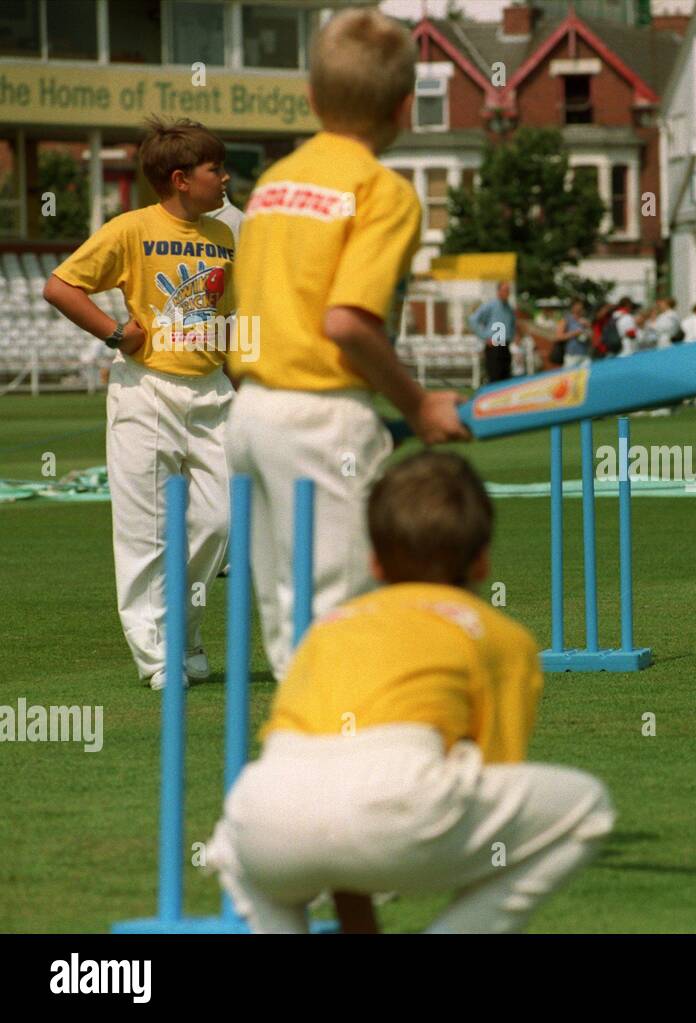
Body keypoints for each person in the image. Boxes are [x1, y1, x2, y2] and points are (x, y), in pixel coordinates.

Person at [206, 451, 615, 934]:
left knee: (234, 846)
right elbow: (493, 780)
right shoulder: (500, 637)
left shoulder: (328, 628)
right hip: (396, 803)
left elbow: (328, 791)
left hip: (265, 813)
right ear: (481, 561)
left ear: (374, 561)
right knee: (587, 807)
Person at [226, 8, 467, 684]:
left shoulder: (272, 182)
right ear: (403, 107)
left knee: (287, 618)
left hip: (248, 415)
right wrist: (420, 407)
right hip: (321, 415)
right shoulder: (383, 192)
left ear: (310, 98)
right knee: (342, 612)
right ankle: (344, 766)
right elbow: (347, 323)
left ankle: (299, 761)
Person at [44, 117, 236, 691]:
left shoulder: (225, 236)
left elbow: (230, 318)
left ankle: (184, 632)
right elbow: (60, 286)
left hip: (212, 390)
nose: (225, 178)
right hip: (145, 389)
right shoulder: (129, 228)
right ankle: (158, 659)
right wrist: (111, 332)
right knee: (145, 533)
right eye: (215, 169)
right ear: (180, 179)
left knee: (222, 519)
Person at [470, 281, 516, 383]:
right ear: (498, 291)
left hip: (505, 346)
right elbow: (473, 320)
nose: (507, 293)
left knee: (506, 377)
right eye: (504, 290)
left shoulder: (509, 308)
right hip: (494, 346)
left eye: (508, 290)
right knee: (494, 377)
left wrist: (512, 337)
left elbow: (512, 324)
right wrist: (485, 337)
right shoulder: (490, 305)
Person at [557, 299, 590, 368]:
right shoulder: (566, 319)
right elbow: (559, 336)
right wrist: (574, 333)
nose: (579, 307)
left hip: (584, 354)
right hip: (571, 355)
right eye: (577, 305)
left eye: (581, 305)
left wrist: (587, 327)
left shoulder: (584, 319)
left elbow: (591, 336)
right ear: (572, 307)